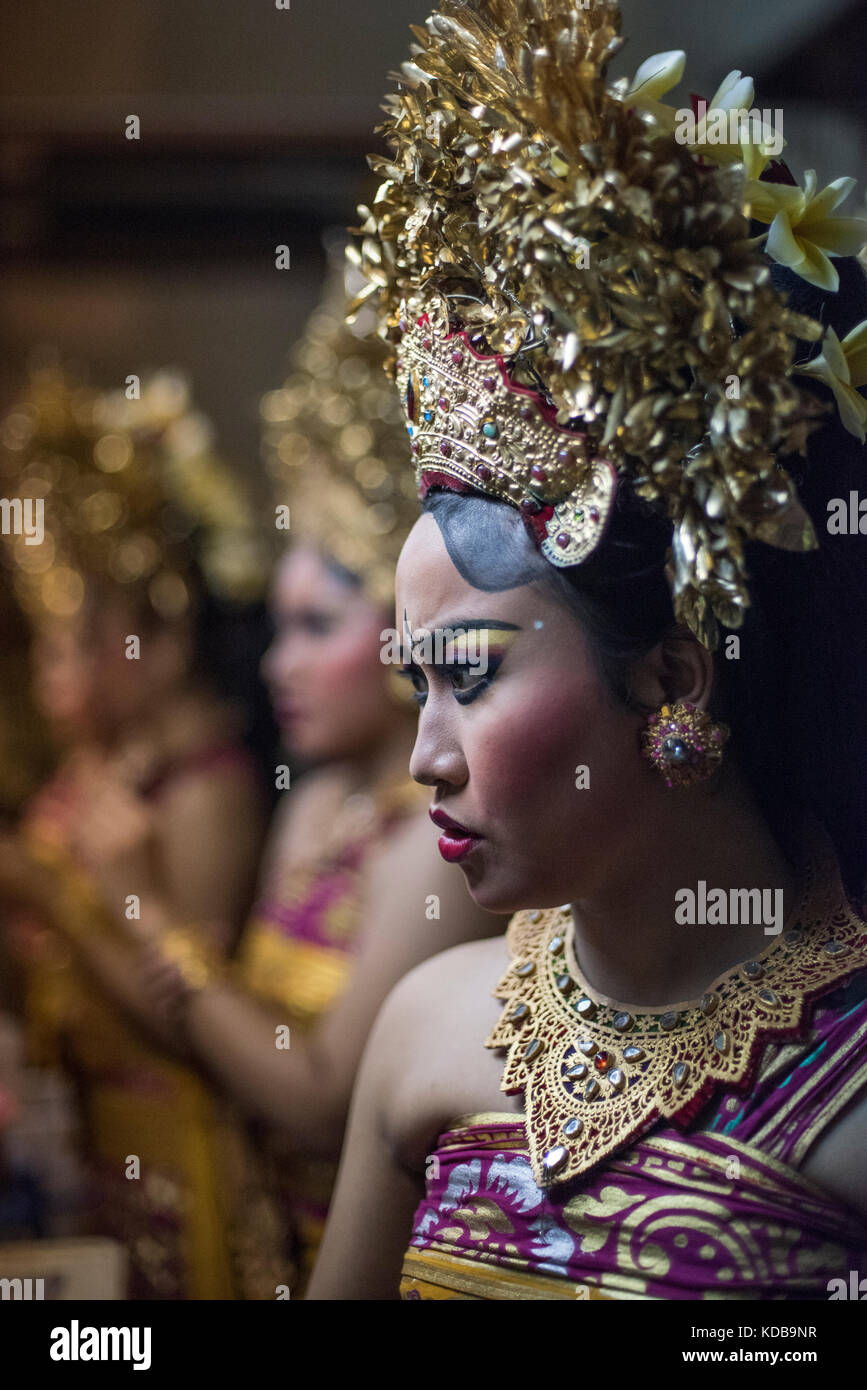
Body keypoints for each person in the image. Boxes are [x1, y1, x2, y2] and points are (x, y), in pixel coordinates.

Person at [309, 0, 867, 1300]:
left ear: (669, 679)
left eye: (470, 673)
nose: (422, 759)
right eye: (412, 679)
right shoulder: (429, 1029)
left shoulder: (844, 1086)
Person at [127, 251, 497, 1297]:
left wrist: (162, 932)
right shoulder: (321, 800)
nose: (279, 662)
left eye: (315, 626)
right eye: (278, 625)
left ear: (404, 634)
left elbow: (322, 1097)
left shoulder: (441, 837)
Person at [0, 363, 270, 1297]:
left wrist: (52, 900)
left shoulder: (204, 789)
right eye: (42, 637)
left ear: (156, 632)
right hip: (86, 1130)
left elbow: (187, 1021)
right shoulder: (95, 764)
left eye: (74, 639)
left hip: (175, 1143)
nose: (49, 670)